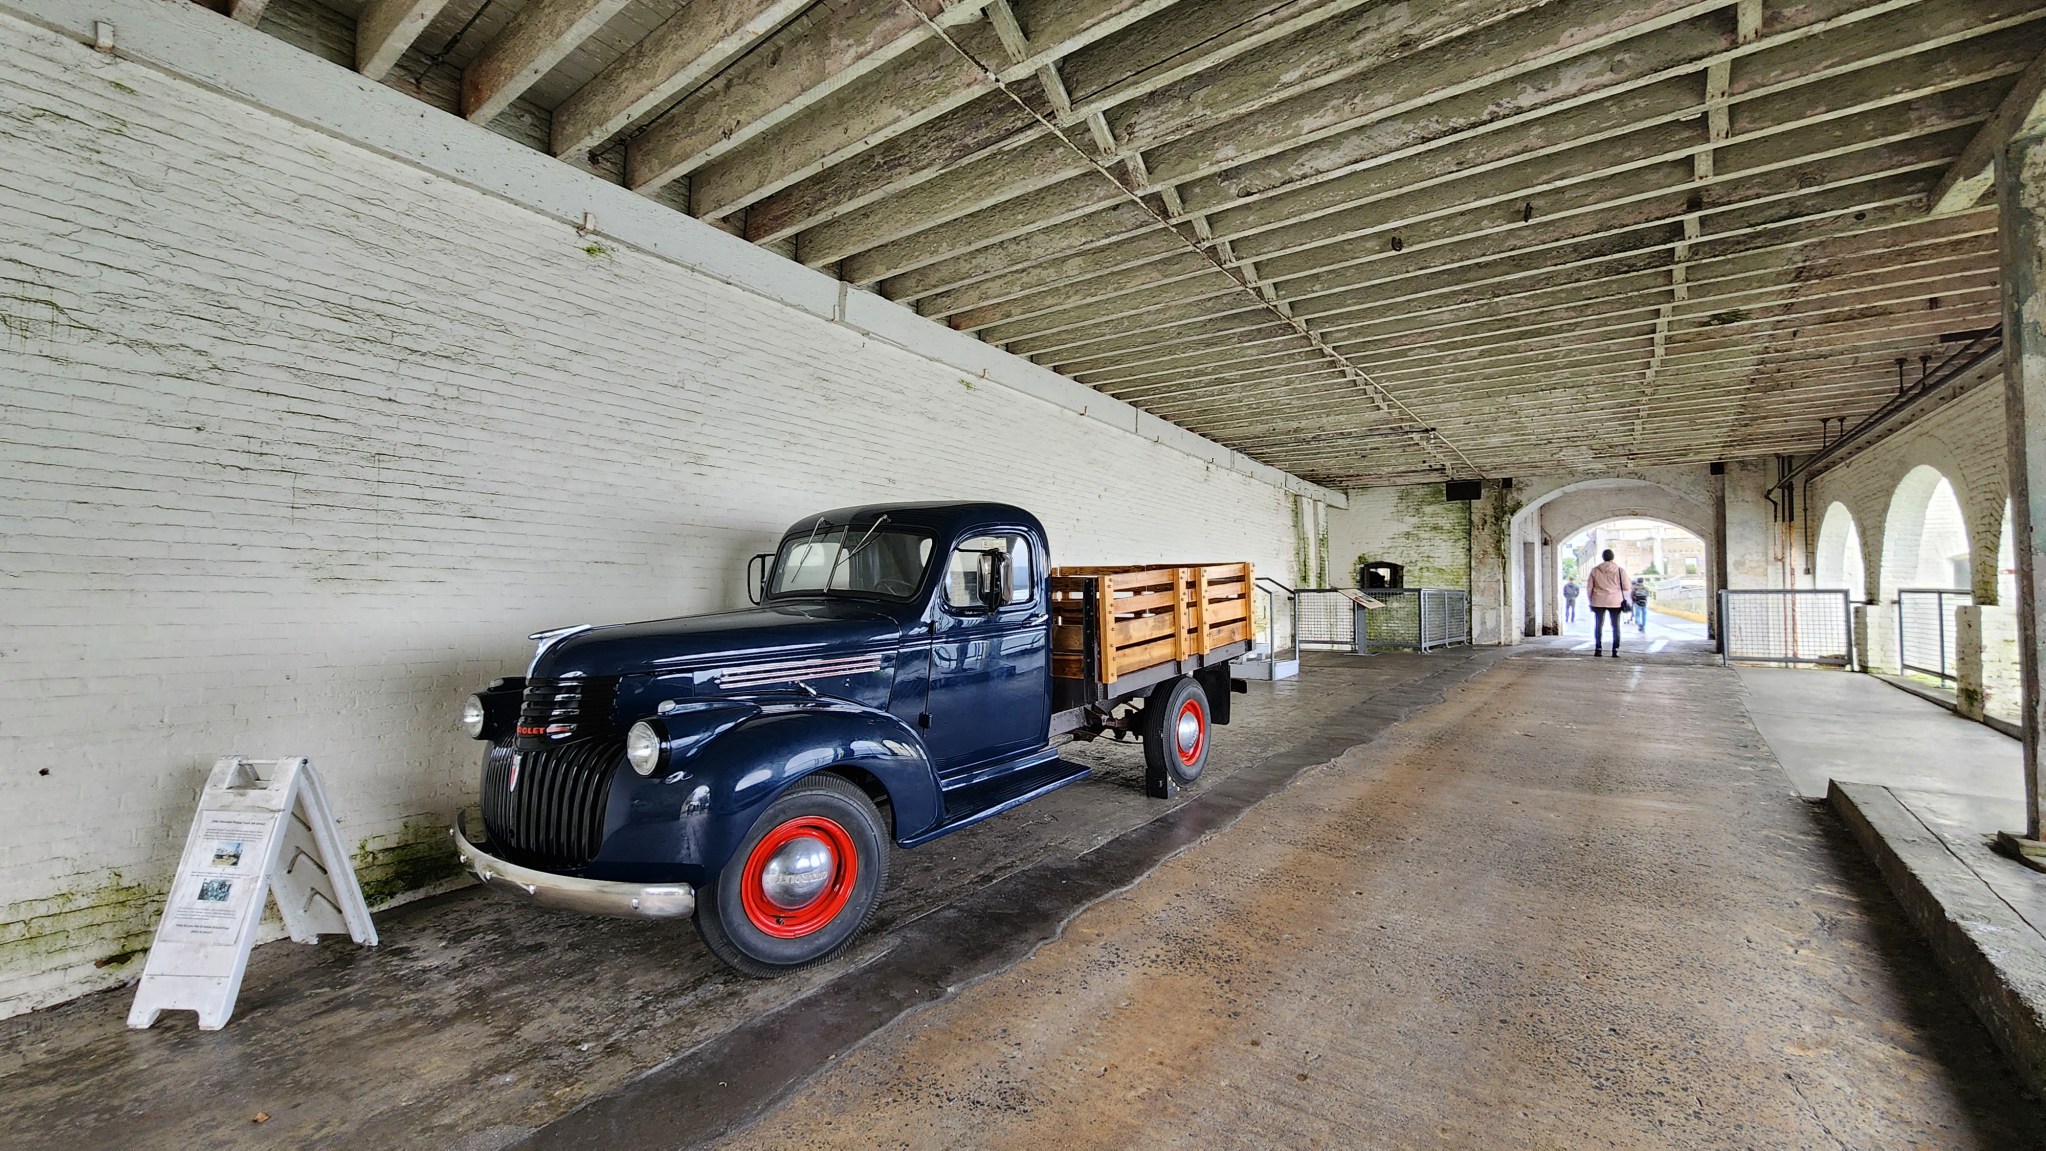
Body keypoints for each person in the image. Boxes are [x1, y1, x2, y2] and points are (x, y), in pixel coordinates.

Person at [1586, 549, 1629, 656]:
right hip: (1615, 601)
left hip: (1598, 601)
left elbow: (1589, 588)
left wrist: (1591, 601)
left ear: (1603, 557)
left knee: (1598, 625)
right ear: (1613, 557)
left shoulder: (1595, 570)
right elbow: (1626, 587)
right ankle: (1615, 650)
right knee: (1615, 626)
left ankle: (1598, 649)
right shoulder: (1620, 571)